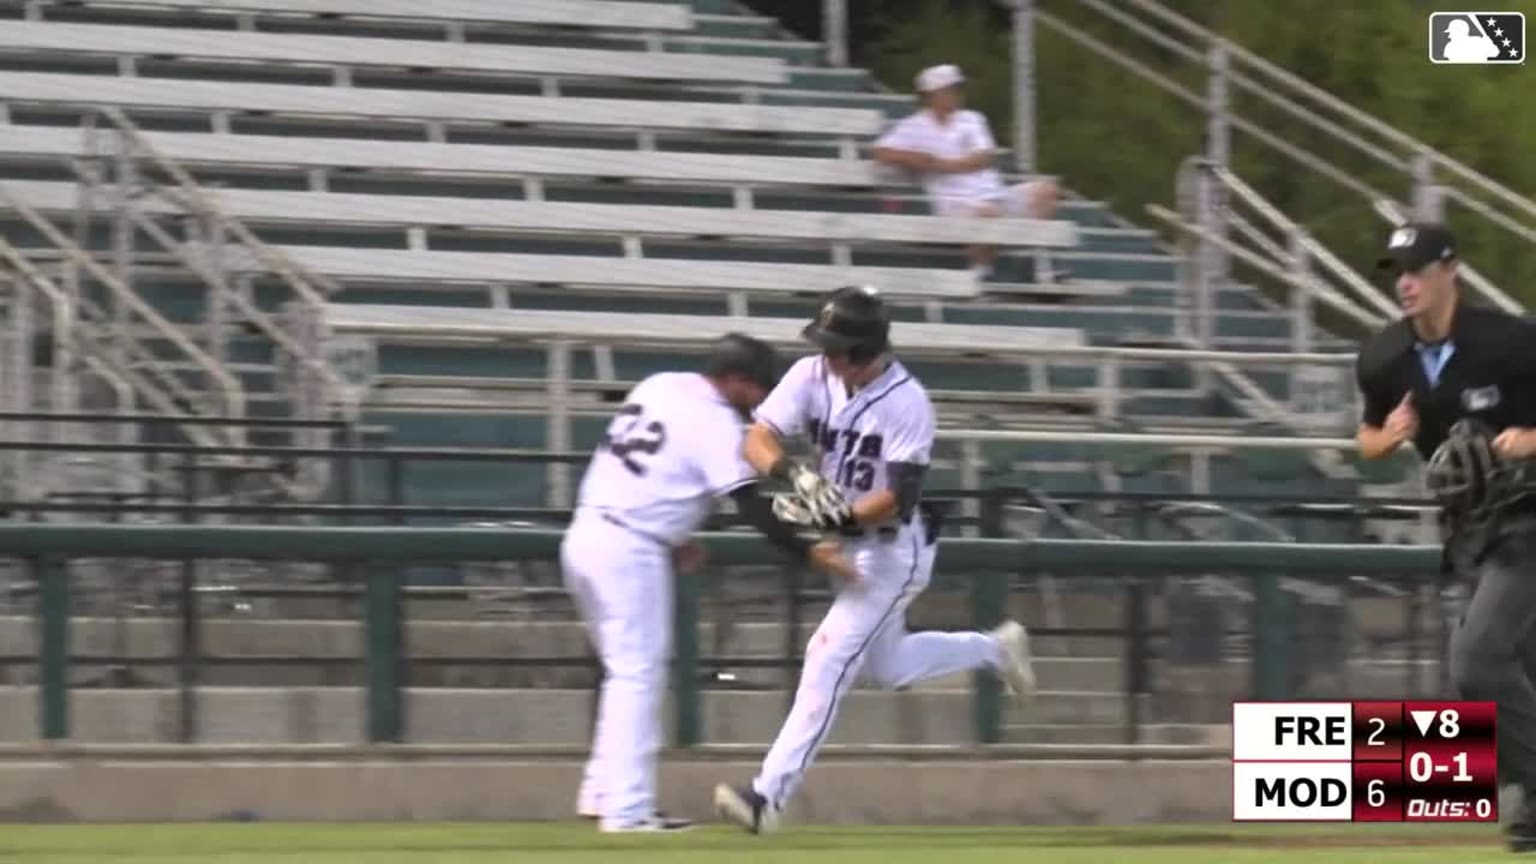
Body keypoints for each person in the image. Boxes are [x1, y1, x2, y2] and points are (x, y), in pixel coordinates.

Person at [712, 286, 1037, 834]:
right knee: (887, 667)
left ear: (865, 351)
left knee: (827, 654)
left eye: (836, 346)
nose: (825, 354)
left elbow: (898, 499)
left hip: (892, 548)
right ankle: (994, 649)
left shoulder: (908, 401)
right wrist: (794, 476)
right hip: (850, 533)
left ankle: (767, 798)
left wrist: (834, 521)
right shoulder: (812, 374)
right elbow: (758, 437)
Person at [562, 332, 857, 833]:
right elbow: (753, 506)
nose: (764, 399)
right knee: (637, 674)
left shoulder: (660, 385)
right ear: (737, 380)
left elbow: (644, 470)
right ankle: (626, 810)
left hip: (589, 531)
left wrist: (673, 535)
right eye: (759, 387)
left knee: (623, 672)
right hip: (629, 549)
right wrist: (809, 548)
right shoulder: (717, 422)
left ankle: (603, 793)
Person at [1354, 223, 1536, 852]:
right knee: (1521, 669)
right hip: (1475, 531)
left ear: (1449, 270)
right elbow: (1367, 438)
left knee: (1478, 659)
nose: (1404, 282)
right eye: (1396, 270)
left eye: (1416, 268)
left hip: (1532, 516)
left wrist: (1532, 439)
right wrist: (1392, 436)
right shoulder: (1384, 357)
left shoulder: (1510, 341)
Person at [871, 62, 1061, 278]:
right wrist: (914, 158)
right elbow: (881, 152)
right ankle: (982, 270)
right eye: (951, 89)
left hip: (994, 194)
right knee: (987, 214)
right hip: (955, 203)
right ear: (932, 95)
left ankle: (1036, 263)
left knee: (1046, 191)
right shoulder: (913, 125)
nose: (957, 94)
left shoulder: (973, 119)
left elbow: (983, 157)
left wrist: (939, 164)